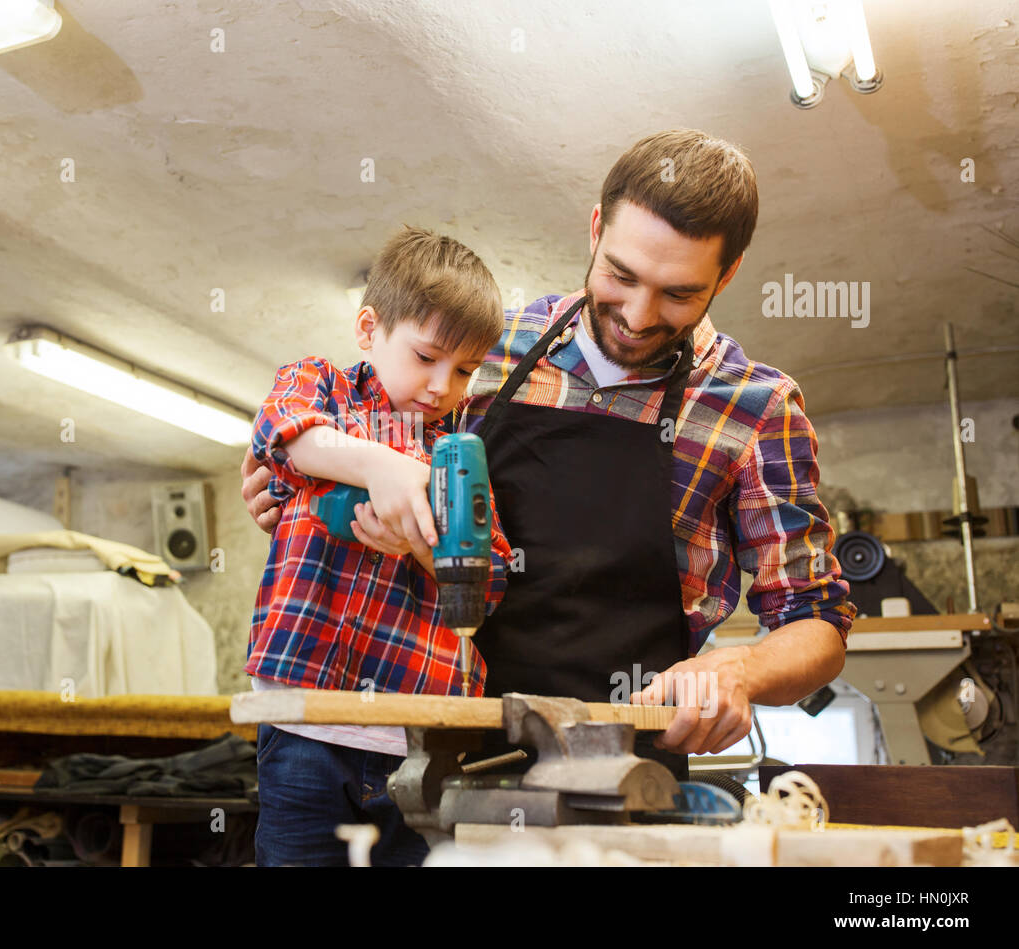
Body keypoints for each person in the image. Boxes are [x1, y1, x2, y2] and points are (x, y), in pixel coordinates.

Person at [242, 130, 856, 781]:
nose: (640, 316)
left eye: (678, 293)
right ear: (596, 229)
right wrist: (304, 492)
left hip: (620, 772)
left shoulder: (756, 408)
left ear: (726, 274)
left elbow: (816, 624)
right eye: (621, 276)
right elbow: (336, 424)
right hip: (447, 753)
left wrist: (739, 670)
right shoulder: (484, 351)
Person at [247, 225, 514, 866]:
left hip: (419, 739)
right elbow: (285, 432)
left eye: (465, 370)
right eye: (426, 357)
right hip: (305, 719)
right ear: (369, 330)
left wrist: (425, 546)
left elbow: (490, 579)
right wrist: (382, 468)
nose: (443, 386)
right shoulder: (322, 388)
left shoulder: (460, 457)